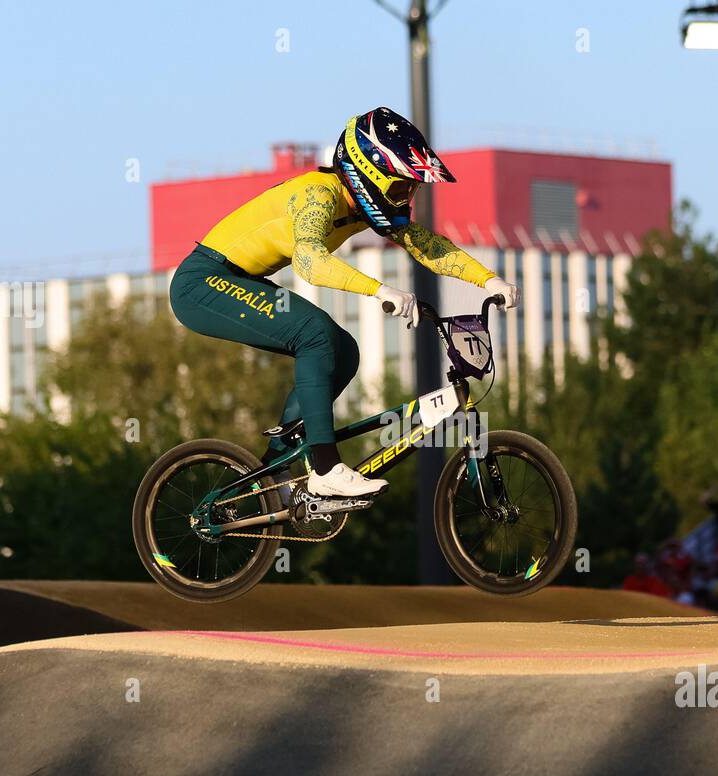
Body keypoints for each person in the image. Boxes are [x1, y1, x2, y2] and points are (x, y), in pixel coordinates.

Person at [168, 107, 519, 497]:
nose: (405, 200)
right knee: (315, 334)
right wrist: (379, 290)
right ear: (367, 174)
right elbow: (309, 262)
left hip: (240, 280)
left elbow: (425, 244)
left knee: (344, 351)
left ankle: (278, 465)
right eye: (400, 189)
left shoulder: (360, 208)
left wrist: (488, 280)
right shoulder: (319, 195)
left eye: (411, 190)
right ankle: (324, 467)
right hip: (203, 283)